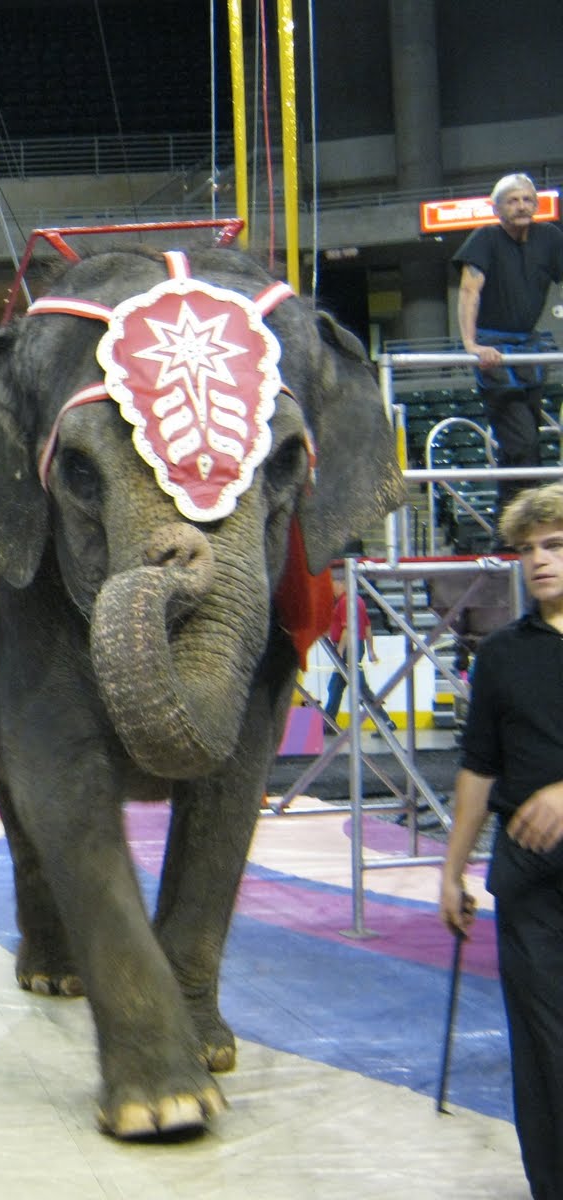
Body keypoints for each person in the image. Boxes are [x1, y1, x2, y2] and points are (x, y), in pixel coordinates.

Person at [441, 481, 563, 1200]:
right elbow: (478, 767)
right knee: (544, 1046)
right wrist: (452, 871)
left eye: (554, 545)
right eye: (527, 550)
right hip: (528, 872)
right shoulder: (503, 657)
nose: (538, 562)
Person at [453, 173, 563, 515]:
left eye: (528, 199)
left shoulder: (549, 237)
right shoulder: (485, 238)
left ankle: (510, 526)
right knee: (522, 443)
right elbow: (470, 290)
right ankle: (525, 524)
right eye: (513, 200)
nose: (522, 206)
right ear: (497, 208)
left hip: (530, 349)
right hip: (494, 350)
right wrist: (471, 344)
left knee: (524, 444)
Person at [322, 571, 384, 725]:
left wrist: (340, 650)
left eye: (333, 586)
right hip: (356, 645)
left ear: (341, 584)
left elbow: (346, 629)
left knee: (361, 688)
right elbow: (368, 627)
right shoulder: (358, 601)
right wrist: (370, 650)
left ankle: (384, 720)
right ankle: (329, 723)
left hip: (349, 648)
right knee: (335, 687)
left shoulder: (345, 602)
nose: (332, 591)